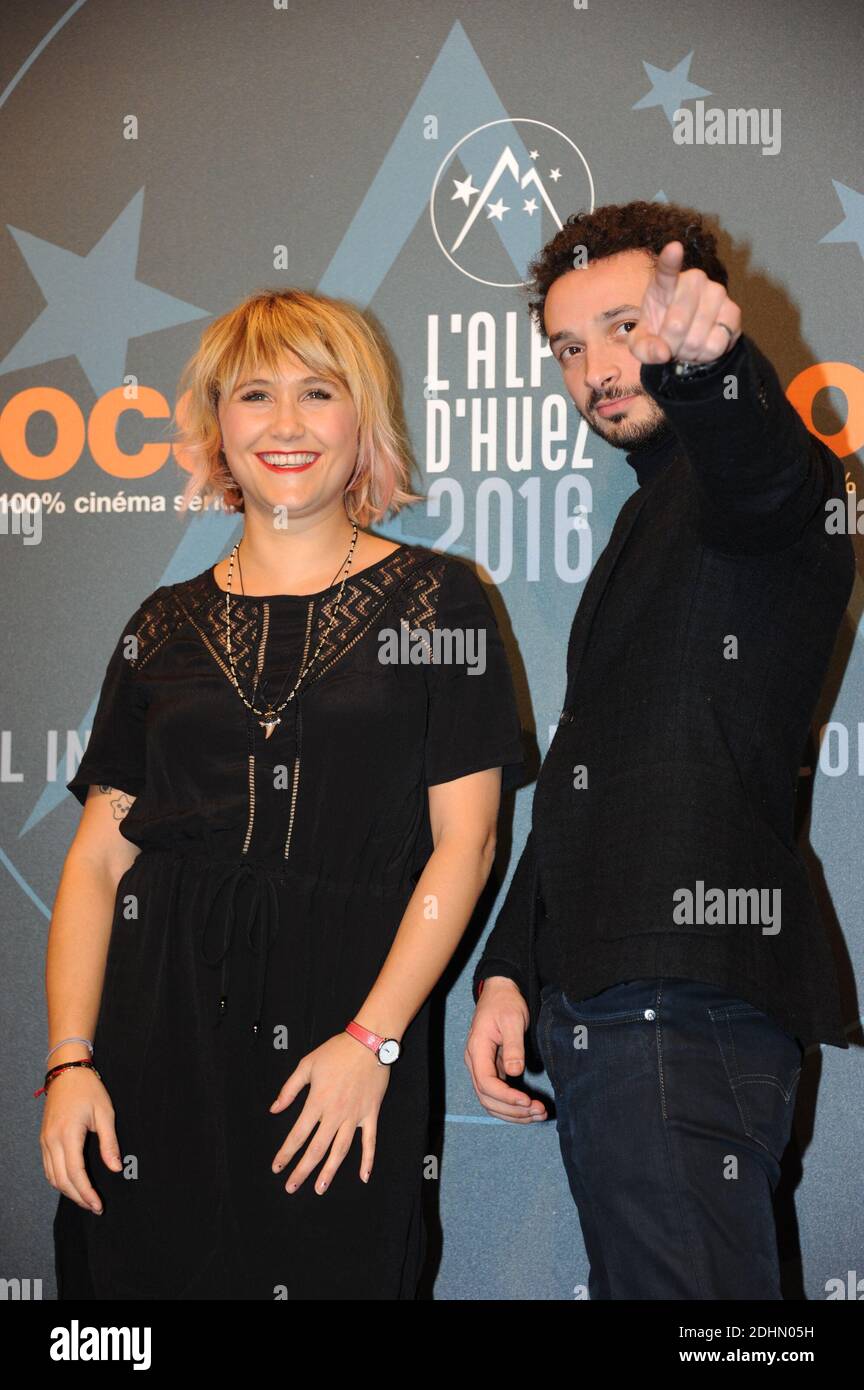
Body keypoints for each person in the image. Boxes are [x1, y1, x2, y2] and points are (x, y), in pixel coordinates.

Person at [42, 287, 524, 1300]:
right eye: (255, 393)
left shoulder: (441, 598)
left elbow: (465, 845)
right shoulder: (160, 624)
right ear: (218, 427)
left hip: (343, 1024)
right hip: (152, 1030)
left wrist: (372, 1038)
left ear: (366, 422)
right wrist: (69, 1062)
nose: (287, 423)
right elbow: (95, 860)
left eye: (319, 390)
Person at [466, 201, 855, 1300]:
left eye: (627, 325)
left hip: (677, 1002)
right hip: (619, 1010)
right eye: (569, 347)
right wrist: (509, 964)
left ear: (694, 314)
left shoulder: (763, 484)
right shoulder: (643, 526)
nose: (598, 366)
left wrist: (716, 370)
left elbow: (768, 477)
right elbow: (600, 781)